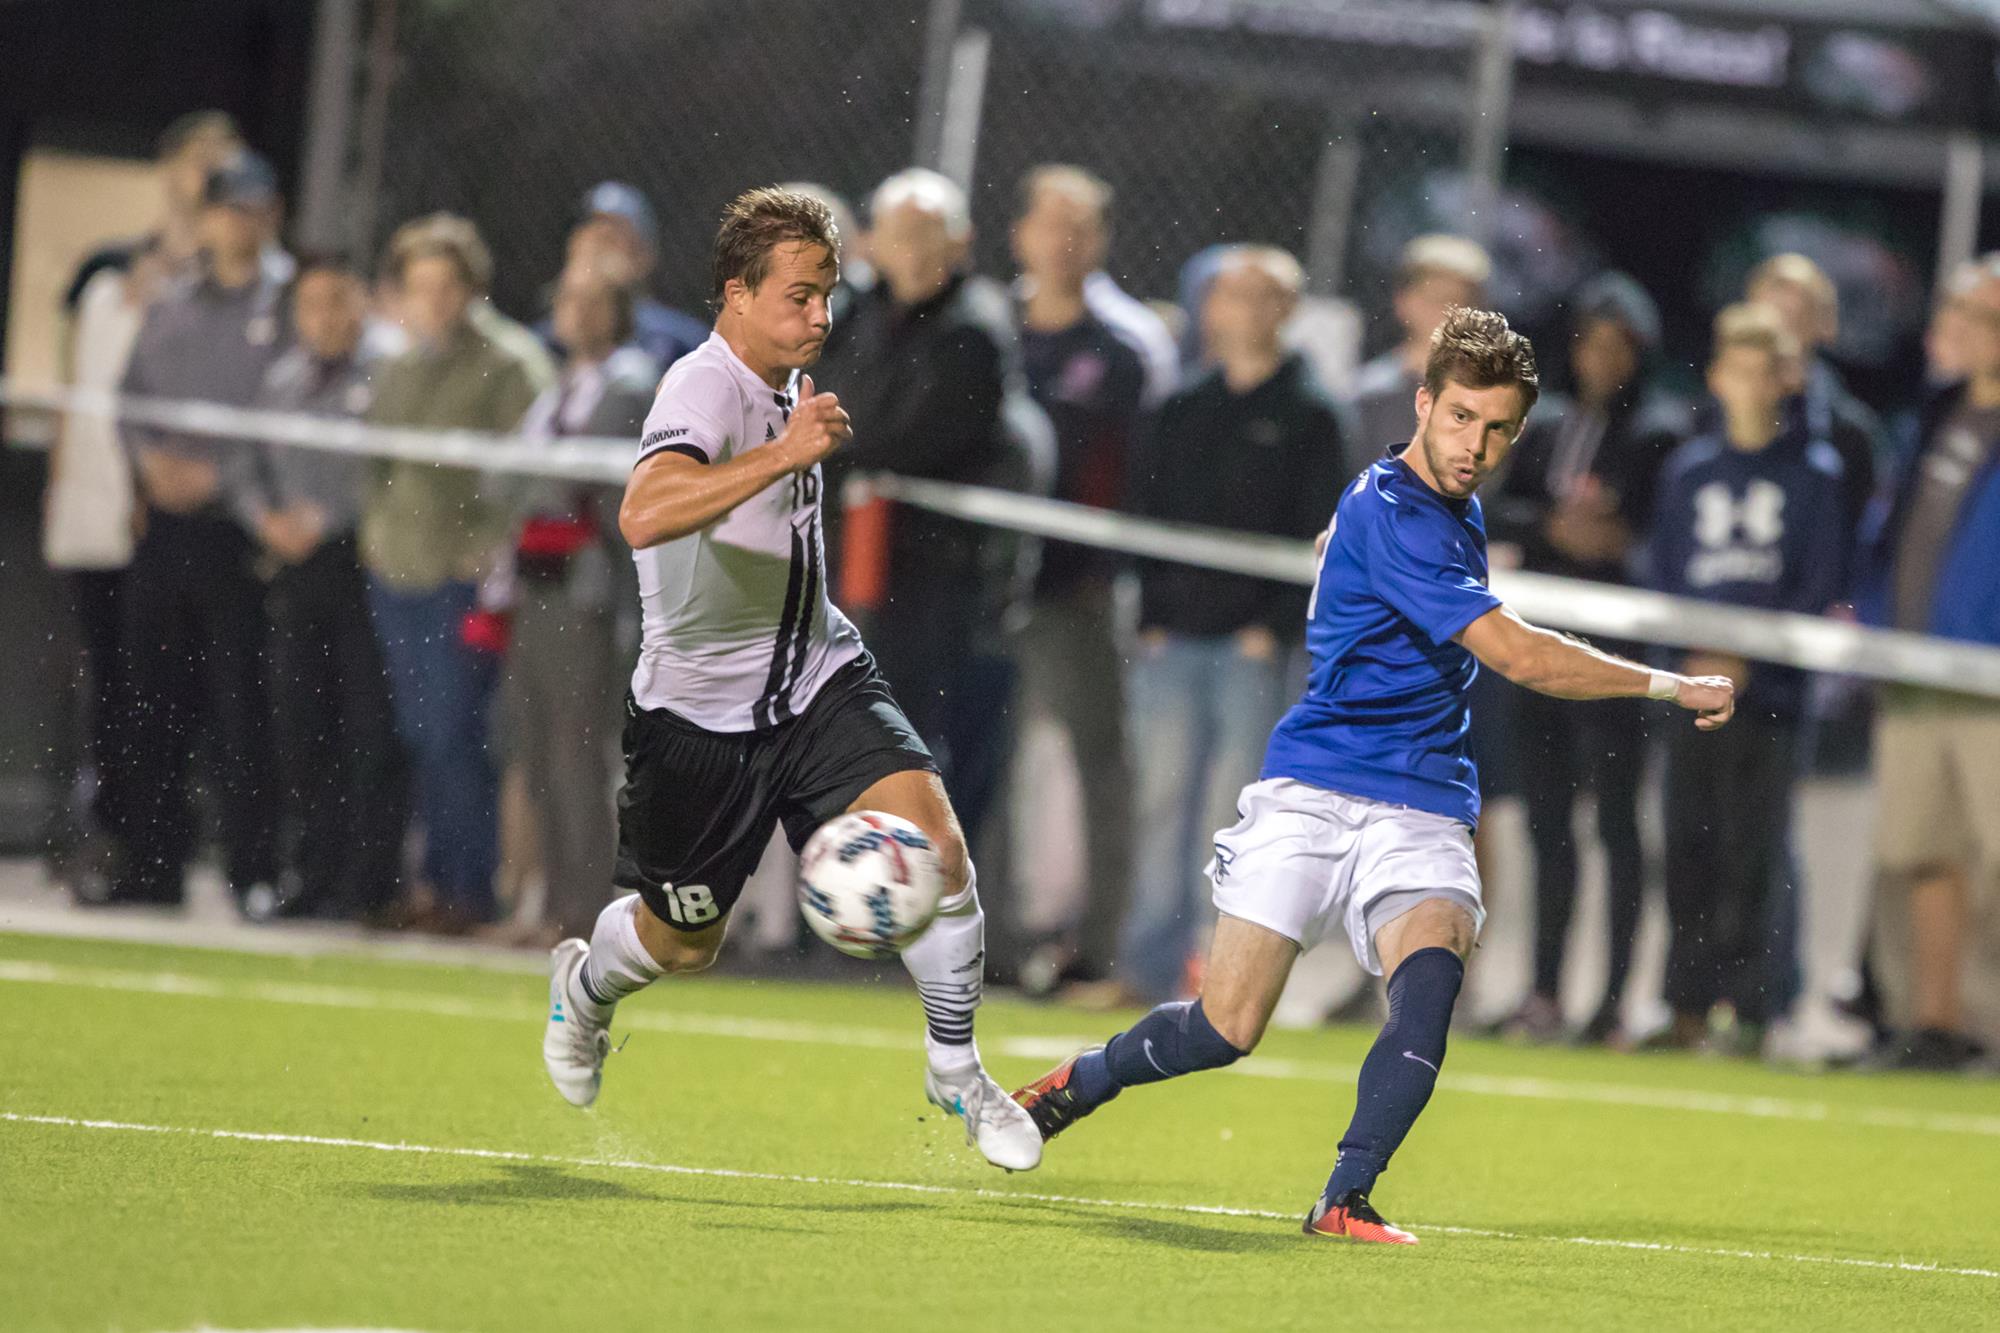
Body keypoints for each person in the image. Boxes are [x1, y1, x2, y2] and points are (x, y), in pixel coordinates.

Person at [1012, 307, 1735, 1243]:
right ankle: (1080, 1080)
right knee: (1225, 1028)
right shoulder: (1399, 511)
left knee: (1430, 982)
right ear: (1424, 404)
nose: (1476, 446)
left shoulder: (1430, 499)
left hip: (1423, 799)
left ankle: (1344, 1197)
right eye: (1461, 417)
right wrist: (1672, 685)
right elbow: (1522, 657)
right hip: (1315, 786)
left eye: (1499, 428)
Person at [539, 187, 1041, 1172]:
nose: (820, 316)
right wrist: (782, 454)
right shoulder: (704, 386)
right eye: (800, 296)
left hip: (816, 674)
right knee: (684, 943)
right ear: (738, 294)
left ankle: (956, 1068)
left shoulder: (792, 378)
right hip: (699, 718)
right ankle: (586, 988)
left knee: (939, 848)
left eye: (828, 294)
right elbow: (643, 512)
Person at [1108, 245, 1347, 1009]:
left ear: (1286, 310)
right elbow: (1146, 514)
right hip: (1174, 638)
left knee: (1235, 816)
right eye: (1229, 294)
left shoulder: (1312, 414)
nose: (1241, 309)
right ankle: (1147, 966)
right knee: (1160, 805)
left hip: (1252, 647)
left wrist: (1272, 627)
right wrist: (1152, 616)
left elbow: (1321, 535)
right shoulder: (1182, 407)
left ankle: (1221, 975)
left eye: (1258, 295)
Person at [1485, 272, 1684, 1044]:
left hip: (1617, 657)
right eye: (1592, 343)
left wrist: (1618, 540)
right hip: (1542, 648)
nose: (1603, 359)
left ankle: (1612, 1000)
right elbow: (1500, 506)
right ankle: (1544, 989)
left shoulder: (1659, 432)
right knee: (1547, 824)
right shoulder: (1549, 424)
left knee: (1618, 824)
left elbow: (1659, 530)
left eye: (1619, 346)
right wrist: (1552, 529)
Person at [1645, 303, 1847, 1052]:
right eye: (1740, 369)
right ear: (1717, 377)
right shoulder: (1689, 470)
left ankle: (1755, 1009)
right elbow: (1664, 578)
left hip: (1771, 699)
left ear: (1785, 380)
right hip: (1693, 691)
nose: (1753, 385)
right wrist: (1694, 657)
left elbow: (1819, 584)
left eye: (1767, 371)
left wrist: (1747, 660)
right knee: (1687, 845)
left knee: (1756, 852)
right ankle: (1686, 1004)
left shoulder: (1815, 475)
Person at [361, 213, 552, 932]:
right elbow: (374, 462)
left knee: (456, 731)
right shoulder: (399, 364)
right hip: (398, 572)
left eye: (446, 286)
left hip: (462, 579)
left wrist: (486, 544)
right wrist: (376, 537)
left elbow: (530, 468)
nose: (433, 301)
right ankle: (434, 882)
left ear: (472, 288)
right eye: (420, 287)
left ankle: (469, 888)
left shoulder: (511, 364)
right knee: (418, 731)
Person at [816, 169, 1029, 815]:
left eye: (929, 233)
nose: (913, 250)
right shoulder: (852, 316)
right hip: (845, 564)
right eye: (900, 233)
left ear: (961, 242)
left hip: (932, 579)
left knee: (903, 742)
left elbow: (915, 438)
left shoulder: (974, 329)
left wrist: (824, 451)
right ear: (872, 242)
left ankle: (914, 873)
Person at [111, 150, 291, 910]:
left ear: (272, 215)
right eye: (227, 208)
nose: (238, 222)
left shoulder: (292, 303)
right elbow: (130, 399)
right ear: (208, 217)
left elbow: (291, 415)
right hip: (166, 528)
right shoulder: (170, 301)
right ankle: (151, 866)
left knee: (244, 708)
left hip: (243, 530)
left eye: (252, 208)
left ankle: (253, 873)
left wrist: (220, 478)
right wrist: (149, 467)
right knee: (151, 701)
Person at [1856, 254, 2000, 1070]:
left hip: (1990, 684)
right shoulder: (1937, 416)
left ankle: (1986, 1023)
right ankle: (1935, 1025)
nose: (1951, 329)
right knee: (1921, 851)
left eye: (1971, 314)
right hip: (1914, 673)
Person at [1010, 164, 1149, 991]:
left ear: (1100, 241)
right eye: (1050, 221)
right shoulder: (988, 330)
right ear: (1020, 232)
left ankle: (1099, 945)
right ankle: (981, 937)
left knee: (1101, 762)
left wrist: (1107, 572)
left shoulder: (1125, 349)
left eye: (1081, 225)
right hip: (987, 587)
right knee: (975, 759)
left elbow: (1135, 476)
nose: (1063, 241)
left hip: (1077, 591)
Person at [241, 252, 407, 920]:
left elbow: (398, 470)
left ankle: (366, 885)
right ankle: (310, 875)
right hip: (295, 568)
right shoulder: (282, 380)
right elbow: (244, 461)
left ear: (362, 300)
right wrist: (266, 518)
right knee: (301, 725)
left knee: (369, 728)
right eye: (311, 304)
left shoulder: (391, 370)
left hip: (367, 566)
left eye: (338, 300)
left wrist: (330, 515)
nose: (326, 317)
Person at [498, 264, 659, 945]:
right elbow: (504, 477)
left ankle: (584, 907)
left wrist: (529, 487)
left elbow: (572, 483)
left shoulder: (628, 384)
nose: (578, 313)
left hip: (585, 593)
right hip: (535, 587)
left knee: (575, 753)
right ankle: (551, 899)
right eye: (569, 299)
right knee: (536, 749)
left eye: (595, 302)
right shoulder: (558, 384)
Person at [1744, 253, 1883, 539]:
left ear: (1826, 325)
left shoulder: (1852, 433)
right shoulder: (1707, 417)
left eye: (1796, 317)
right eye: (1769, 322)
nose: (1781, 341)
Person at [1347, 234, 1490, 480]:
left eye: (1460, 301)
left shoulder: (1498, 398)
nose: (1448, 312)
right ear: (1403, 302)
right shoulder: (1367, 393)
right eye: (1435, 298)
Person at [542, 181, 709, 369]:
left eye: (612, 239)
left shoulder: (679, 343)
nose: (600, 252)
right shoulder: (542, 345)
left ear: (643, 255)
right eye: (594, 236)